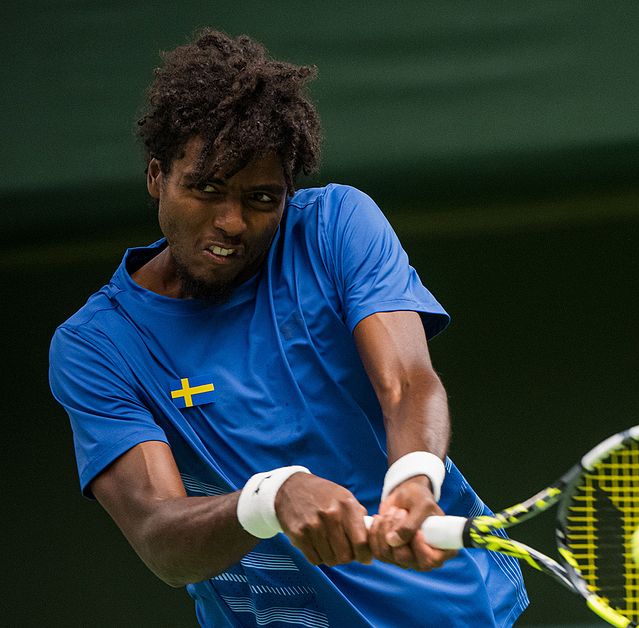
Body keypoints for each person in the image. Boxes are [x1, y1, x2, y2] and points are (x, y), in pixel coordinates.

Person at [48, 30, 527, 627]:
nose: (231, 222)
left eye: (261, 198)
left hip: (449, 611)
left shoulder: (335, 226)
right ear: (156, 177)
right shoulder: (98, 346)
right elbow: (160, 536)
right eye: (206, 189)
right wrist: (268, 498)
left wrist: (412, 479)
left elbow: (406, 381)